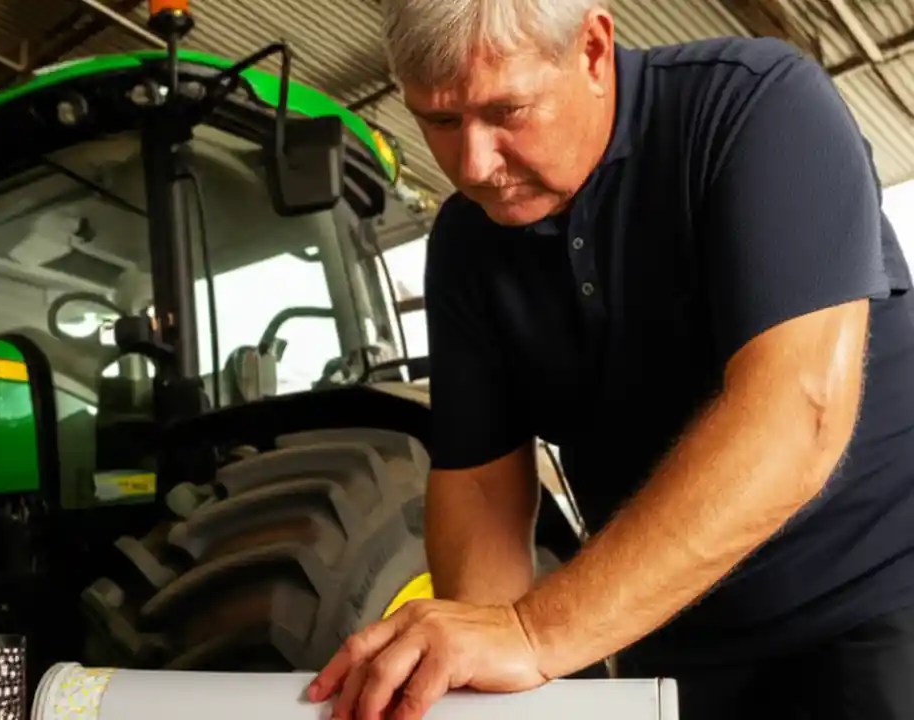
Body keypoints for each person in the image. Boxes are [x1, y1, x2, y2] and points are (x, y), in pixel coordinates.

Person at [305, 0, 914, 718]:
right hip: (667, 636)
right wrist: (475, 687)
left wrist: (533, 633)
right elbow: (480, 489)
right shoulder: (466, 246)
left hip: (874, 611)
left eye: (507, 110)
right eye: (439, 121)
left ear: (593, 50)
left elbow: (797, 412)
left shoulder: (755, 107)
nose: (472, 163)